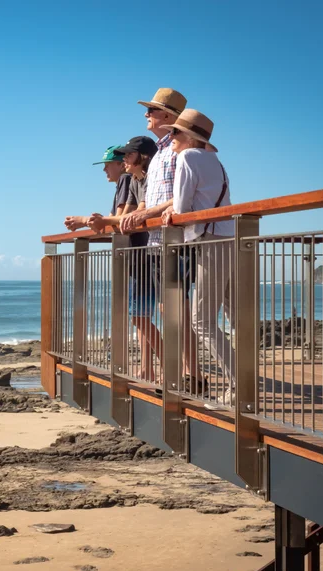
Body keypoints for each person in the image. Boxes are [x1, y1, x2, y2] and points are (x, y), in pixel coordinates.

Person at [120, 88, 205, 394]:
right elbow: (153, 198)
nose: (147, 115)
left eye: (152, 110)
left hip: (176, 241)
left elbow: (180, 197)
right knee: (169, 308)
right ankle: (184, 374)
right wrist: (139, 214)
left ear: (168, 116)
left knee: (175, 309)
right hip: (159, 243)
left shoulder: (178, 151)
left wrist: (146, 213)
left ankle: (191, 376)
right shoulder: (160, 152)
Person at [160, 109, 236, 404]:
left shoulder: (188, 157)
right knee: (234, 315)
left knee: (201, 320)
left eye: (175, 132)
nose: (171, 137)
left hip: (210, 239)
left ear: (190, 137)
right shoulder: (216, 161)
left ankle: (238, 386)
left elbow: (181, 207)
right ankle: (241, 385)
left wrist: (172, 211)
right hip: (231, 238)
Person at [88, 137, 161, 381]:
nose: (104, 170)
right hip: (140, 254)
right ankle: (148, 368)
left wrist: (87, 221)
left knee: (140, 317)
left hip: (141, 254)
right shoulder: (135, 181)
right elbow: (123, 217)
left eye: (108, 164)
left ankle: (170, 367)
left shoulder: (127, 180)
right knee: (140, 317)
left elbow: (122, 218)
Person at [64, 146, 135, 233]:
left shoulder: (125, 178)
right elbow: (111, 220)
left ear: (122, 165)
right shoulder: (122, 183)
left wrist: (84, 220)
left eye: (107, 165)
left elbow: (117, 220)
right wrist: (95, 220)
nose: (104, 169)